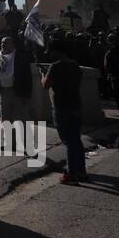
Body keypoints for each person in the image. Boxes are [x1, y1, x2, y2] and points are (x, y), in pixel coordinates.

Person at [45, 40, 87, 183]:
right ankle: (81, 171)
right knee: (76, 140)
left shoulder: (55, 67)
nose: (50, 54)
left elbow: (46, 85)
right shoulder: (75, 65)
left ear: (57, 51)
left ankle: (71, 173)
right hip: (76, 105)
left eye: (52, 51)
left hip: (61, 107)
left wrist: (42, 76)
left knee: (69, 141)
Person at [0, 37, 25, 120]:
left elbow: (26, 76)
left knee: (18, 118)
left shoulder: (19, 57)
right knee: (5, 118)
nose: (3, 45)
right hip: (3, 92)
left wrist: (26, 95)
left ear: (12, 45)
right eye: (2, 43)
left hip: (16, 91)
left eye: (6, 43)